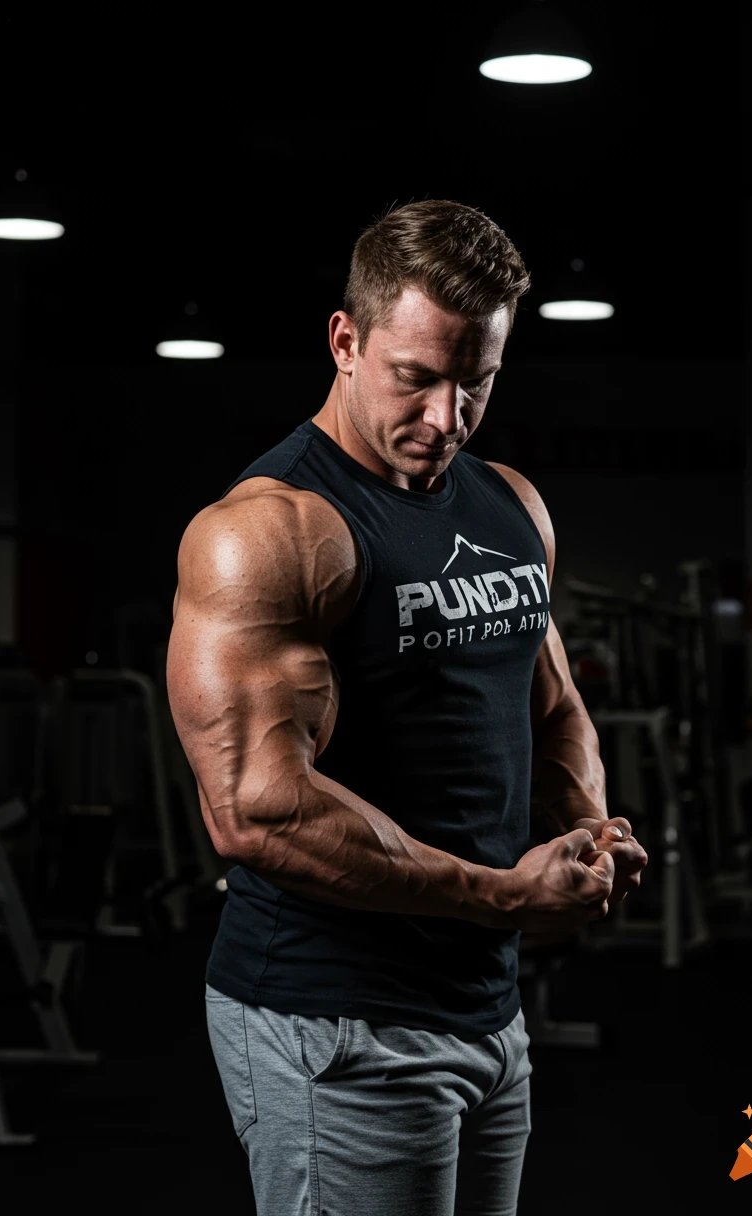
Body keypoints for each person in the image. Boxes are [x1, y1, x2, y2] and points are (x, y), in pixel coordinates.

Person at [166, 200, 647, 1216]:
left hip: (484, 1006)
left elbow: (551, 700)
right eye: (415, 378)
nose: (445, 417)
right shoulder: (272, 531)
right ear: (345, 340)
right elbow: (257, 809)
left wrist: (583, 836)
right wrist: (507, 897)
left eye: (474, 382)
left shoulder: (508, 503)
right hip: (336, 1017)